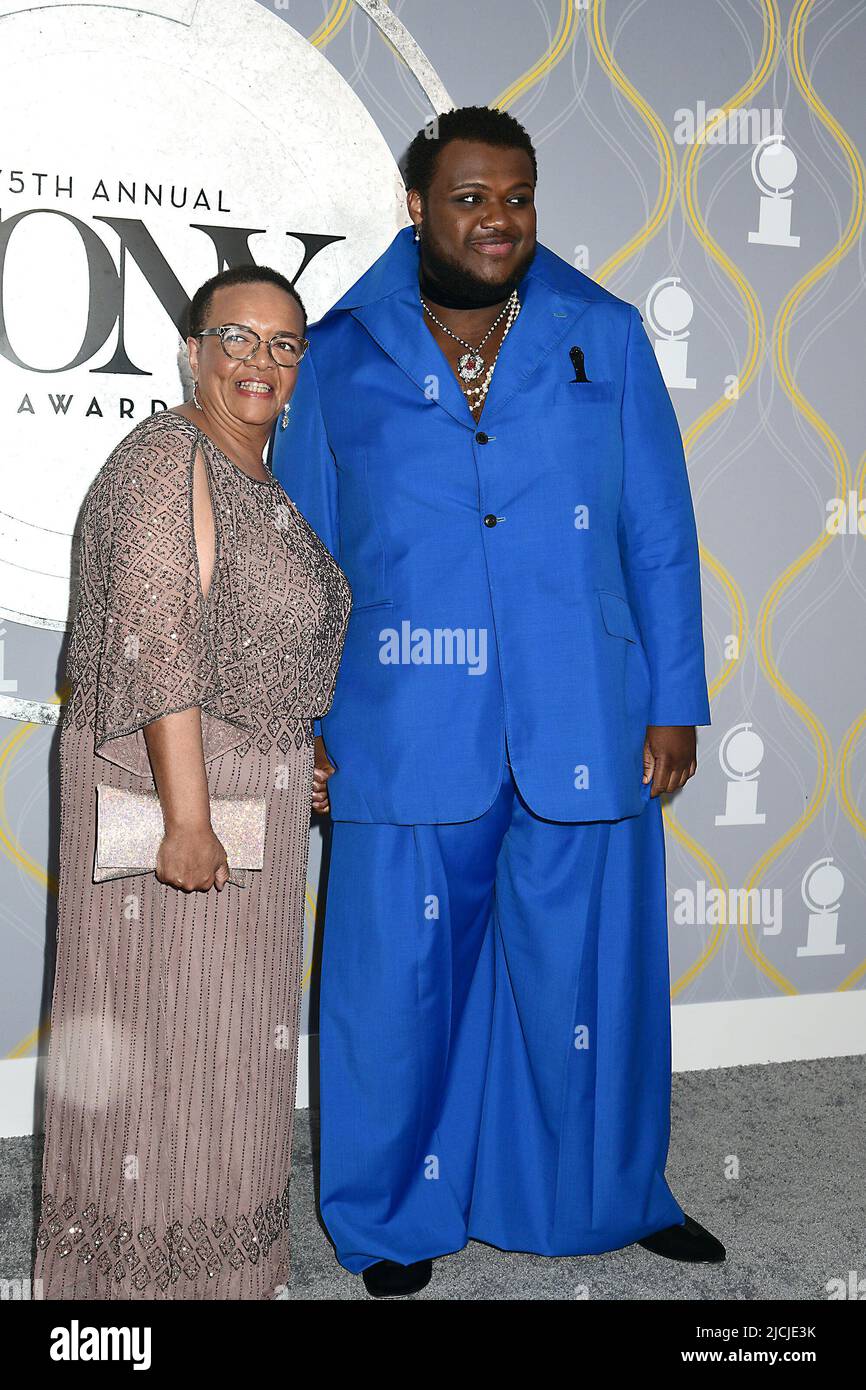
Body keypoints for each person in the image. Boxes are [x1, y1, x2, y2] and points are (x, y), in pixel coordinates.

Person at [274, 104, 724, 1299]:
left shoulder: (604, 334)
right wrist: (298, 727)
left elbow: (659, 538)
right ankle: (385, 1217)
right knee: (393, 991)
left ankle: (604, 1194)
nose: (496, 219)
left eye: (515, 196)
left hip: (584, 711)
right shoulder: (335, 353)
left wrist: (671, 698)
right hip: (400, 721)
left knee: (582, 981)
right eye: (469, 197)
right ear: (415, 209)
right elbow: (302, 559)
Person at [33, 265, 351, 1299]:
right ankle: (137, 1293)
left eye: (283, 344)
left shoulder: (247, 473)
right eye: (237, 337)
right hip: (176, 795)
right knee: (166, 1047)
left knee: (226, 1052)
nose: (260, 361)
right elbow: (157, 644)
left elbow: (250, 644)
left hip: (240, 797)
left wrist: (297, 753)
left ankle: (225, 1273)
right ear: (191, 350)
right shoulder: (167, 461)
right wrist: (188, 818)